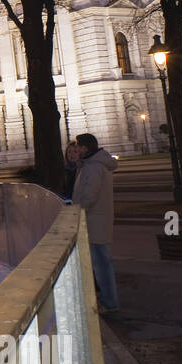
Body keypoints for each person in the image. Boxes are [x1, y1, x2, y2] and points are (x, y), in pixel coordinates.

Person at [71, 133, 119, 314]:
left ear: (86, 147)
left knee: (101, 263)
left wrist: (76, 210)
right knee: (101, 262)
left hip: (93, 220)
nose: (76, 149)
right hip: (96, 219)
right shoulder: (93, 165)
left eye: (78, 145)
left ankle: (109, 302)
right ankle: (108, 299)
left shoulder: (93, 167)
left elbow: (89, 195)